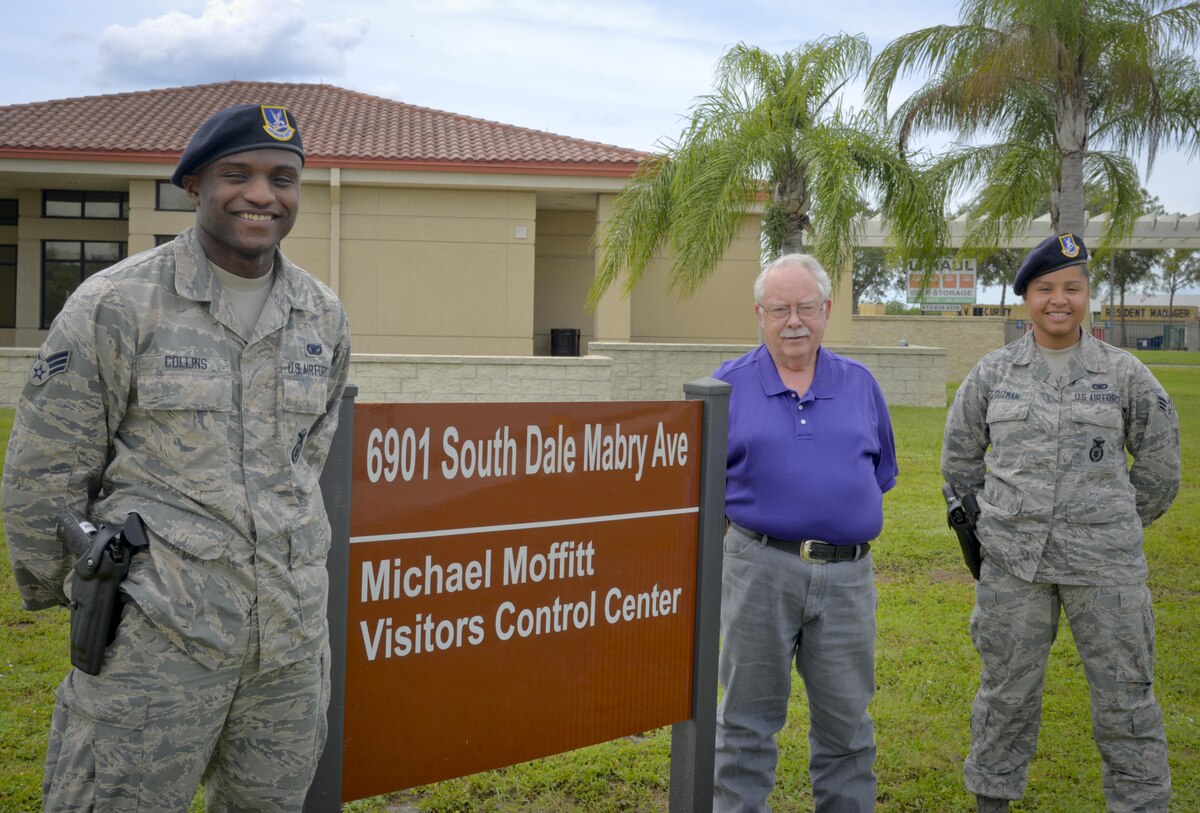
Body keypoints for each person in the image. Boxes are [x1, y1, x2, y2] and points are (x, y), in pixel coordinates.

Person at [2, 103, 351, 811]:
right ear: (194, 185)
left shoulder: (321, 313)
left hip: (287, 648)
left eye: (282, 178)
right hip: (153, 646)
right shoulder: (117, 302)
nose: (262, 194)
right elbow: (46, 468)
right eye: (238, 174)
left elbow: (308, 454)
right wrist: (85, 592)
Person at [941, 232, 1180, 813]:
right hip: (1014, 568)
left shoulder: (1123, 374)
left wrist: (1110, 522)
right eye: (1045, 288)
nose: (1059, 300)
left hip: (1106, 570)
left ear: (1086, 295)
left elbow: (1161, 466)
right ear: (1027, 297)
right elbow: (959, 462)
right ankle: (991, 802)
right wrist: (997, 529)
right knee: (1005, 696)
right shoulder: (993, 373)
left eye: (1072, 288)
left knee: (1126, 701)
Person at [712, 253, 898, 812]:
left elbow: (879, 472)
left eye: (805, 308)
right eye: (779, 309)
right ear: (759, 315)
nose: (793, 321)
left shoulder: (861, 385)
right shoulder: (726, 386)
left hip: (847, 579)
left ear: (826, 310)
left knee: (848, 729)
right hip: (759, 571)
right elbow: (701, 485)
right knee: (745, 723)